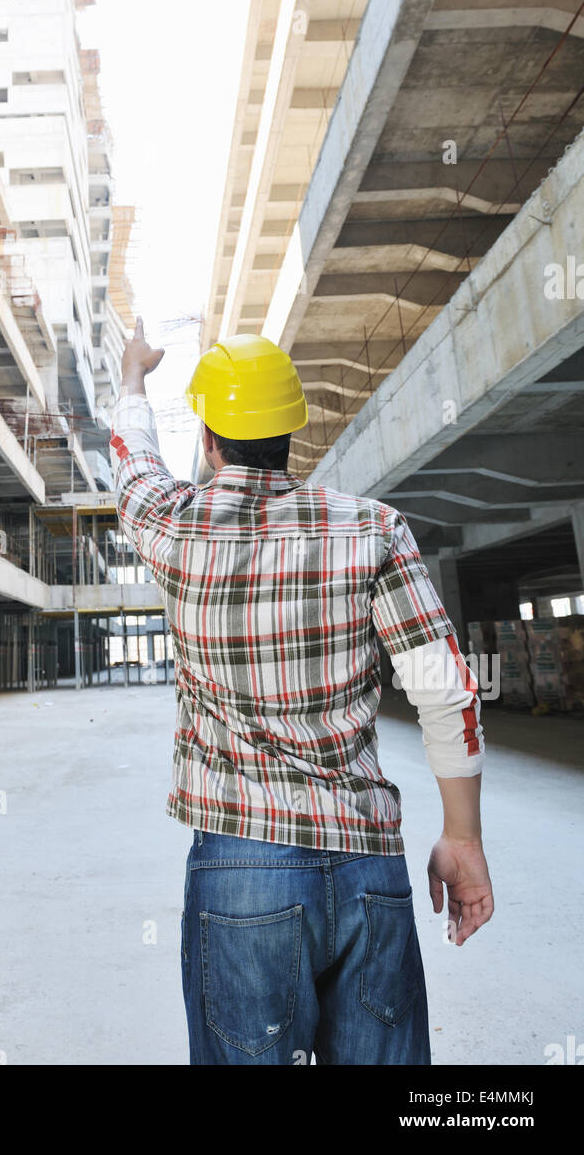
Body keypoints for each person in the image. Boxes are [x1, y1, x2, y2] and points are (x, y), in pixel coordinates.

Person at [109, 318, 493, 1066]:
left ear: (212, 442)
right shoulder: (374, 529)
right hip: (367, 866)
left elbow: (133, 461)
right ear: (293, 434)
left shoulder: (175, 531)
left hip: (241, 870)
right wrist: (463, 838)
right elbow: (446, 692)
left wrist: (133, 378)